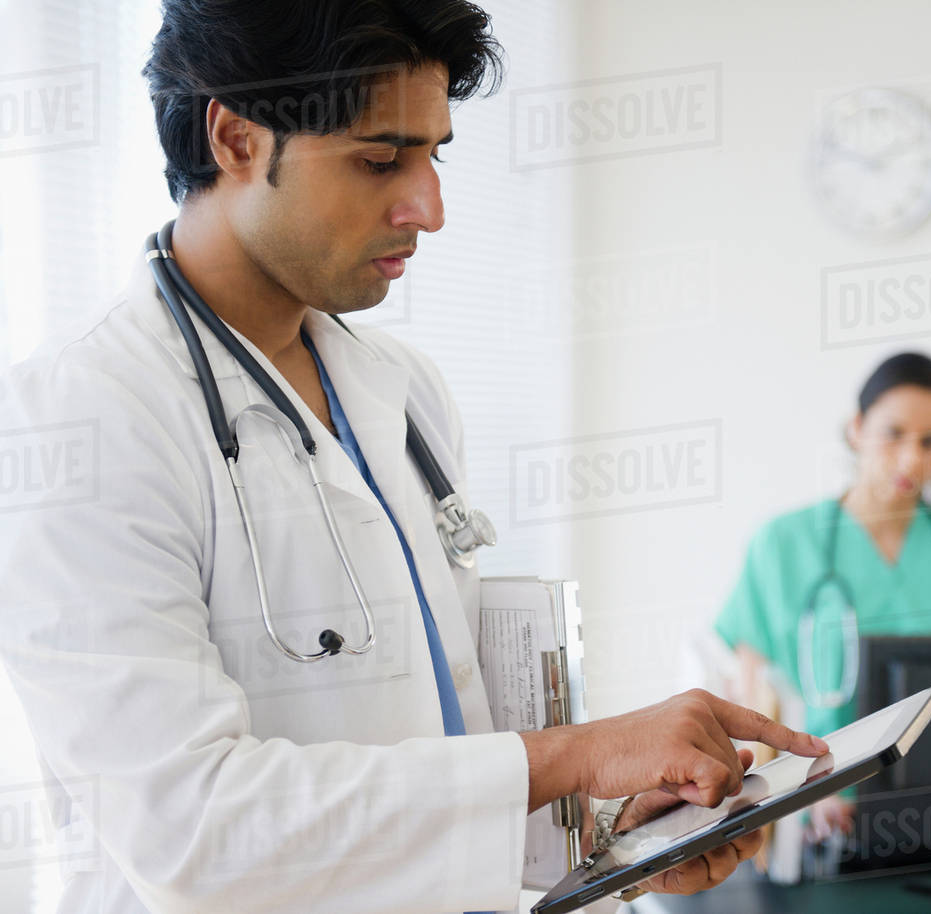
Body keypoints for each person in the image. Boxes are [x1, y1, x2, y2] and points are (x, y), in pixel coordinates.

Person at [0, 3, 830, 913]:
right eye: (380, 159)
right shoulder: (80, 419)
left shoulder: (402, 391)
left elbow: (443, 740)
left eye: (435, 155)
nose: (428, 209)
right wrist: (579, 751)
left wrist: (613, 826)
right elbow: (192, 832)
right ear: (236, 138)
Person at [714, 352, 931, 849]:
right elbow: (752, 703)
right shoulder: (783, 544)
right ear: (857, 428)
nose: (911, 459)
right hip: (818, 817)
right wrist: (802, 789)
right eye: (893, 433)